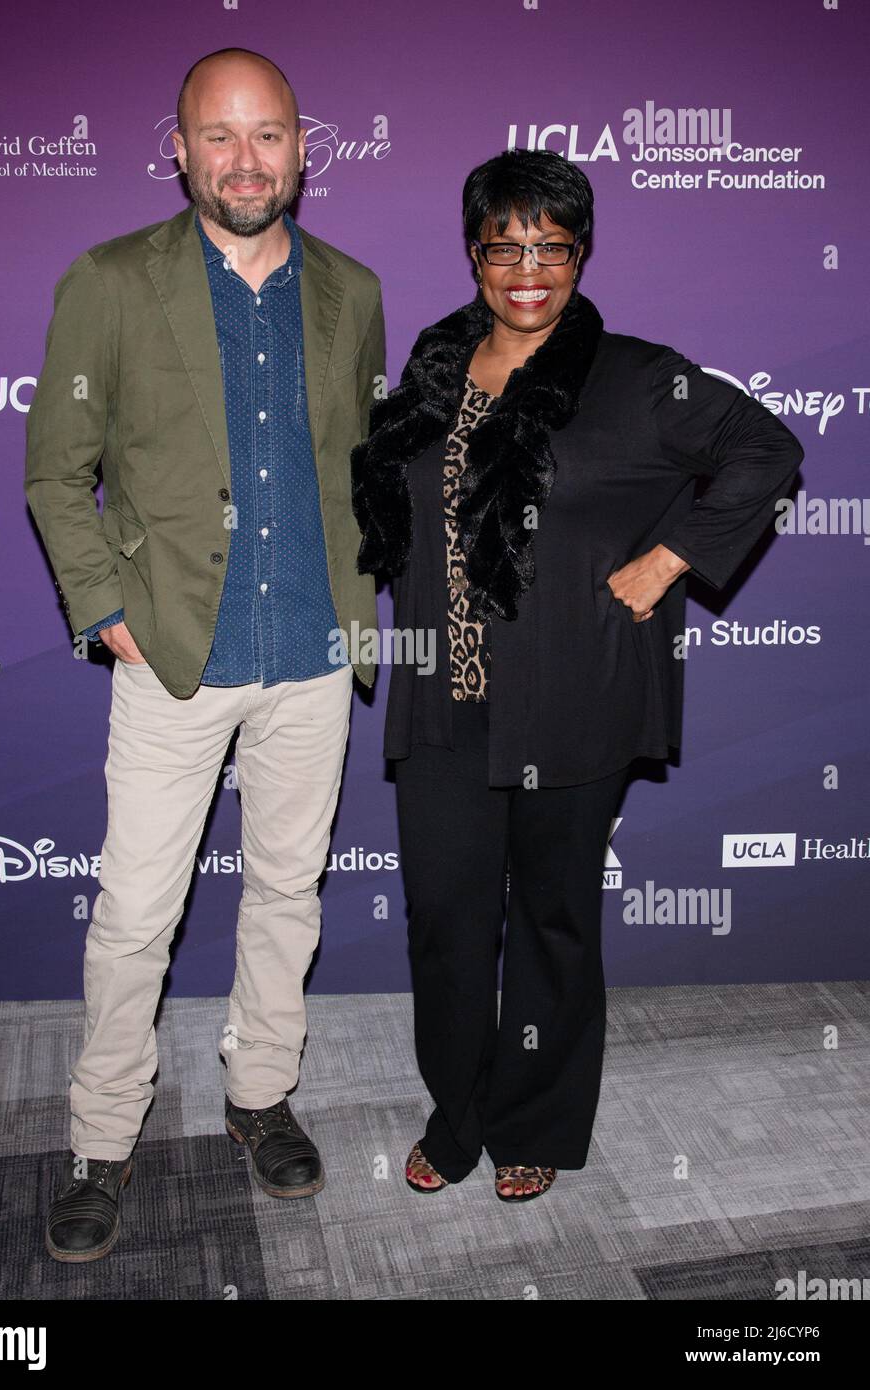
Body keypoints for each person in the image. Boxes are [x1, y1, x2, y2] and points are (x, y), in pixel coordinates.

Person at [351, 148, 803, 1202]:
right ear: (473, 253)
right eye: (505, 246)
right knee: (447, 922)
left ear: (581, 255)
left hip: (571, 699)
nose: (529, 270)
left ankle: (534, 1121)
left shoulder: (637, 377)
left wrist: (668, 558)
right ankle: (457, 1114)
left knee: (554, 921)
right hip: (444, 699)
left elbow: (767, 449)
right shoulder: (431, 372)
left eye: (551, 248)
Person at [25, 47, 385, 1261]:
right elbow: (55, 472)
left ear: (303, 147)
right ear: (178, 149)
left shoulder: (351, 290)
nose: (244, 161)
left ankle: (259, 1093)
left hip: (312, 653)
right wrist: (103, 606)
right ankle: (101, 1140)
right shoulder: (111, 280)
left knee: (286, 893)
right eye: (218, 136)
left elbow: (361, 462)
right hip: (173, 654)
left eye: (267, 134)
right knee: (137, 913)